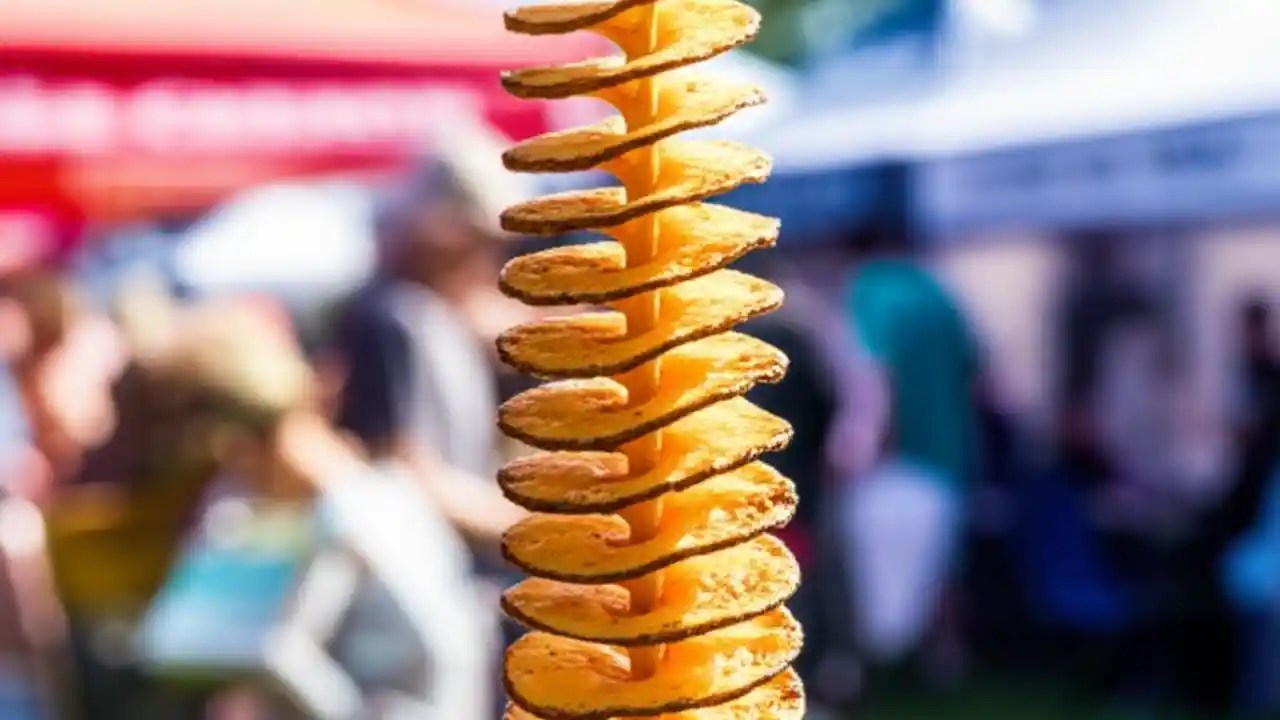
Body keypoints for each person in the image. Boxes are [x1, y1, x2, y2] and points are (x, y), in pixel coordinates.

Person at [332, 123, 531, 554]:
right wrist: (526, 529)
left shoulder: (437, 316)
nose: (490, 263)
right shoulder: (385, 319)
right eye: (481, 244)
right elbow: (402, 473)